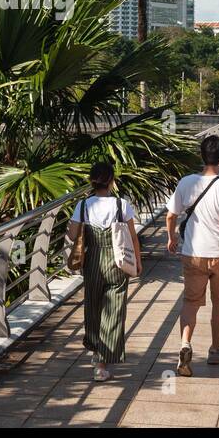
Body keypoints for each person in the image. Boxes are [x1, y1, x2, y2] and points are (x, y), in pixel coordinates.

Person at [166, 135, 219, 376]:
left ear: (201, 155)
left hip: (193, 254)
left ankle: (185, 344)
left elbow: (171, 215)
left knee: (190, 302)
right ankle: (215, 350)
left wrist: (171, 237)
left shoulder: (186, 182)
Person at [68, 161, 141, 381]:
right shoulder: (121, 204)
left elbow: (72, 235)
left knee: (93, 306)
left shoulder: (82, 206)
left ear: (92, 180)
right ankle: (102, 362)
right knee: (114, 310)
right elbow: (132, 236)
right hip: (118, 262)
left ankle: (95, 348)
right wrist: (137, 261)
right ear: (111, 180)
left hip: (92, 261)